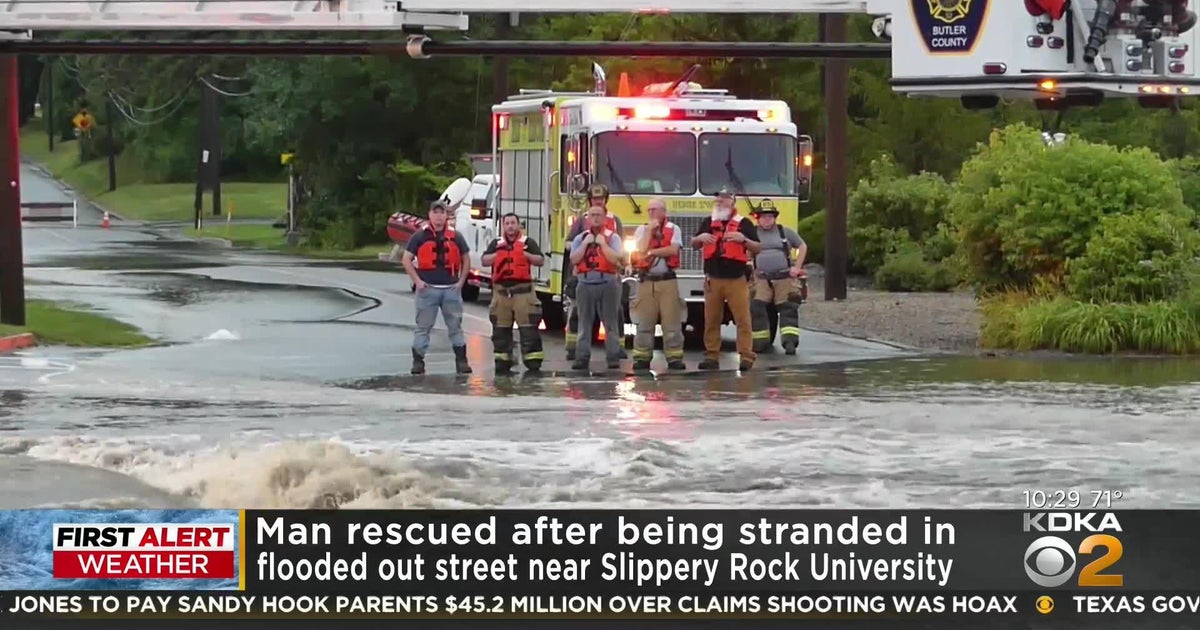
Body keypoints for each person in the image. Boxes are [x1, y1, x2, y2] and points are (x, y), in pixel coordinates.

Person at [689, 188, 762, 372]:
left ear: (732, 202)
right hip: (713, 279)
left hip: (736, 279)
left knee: (742, 319)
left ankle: (746, 356)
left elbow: (758, 247)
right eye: (718, 199)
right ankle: (711, 356)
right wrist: (699, 238)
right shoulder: (708, 222)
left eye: (724, 199)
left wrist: (743, 239)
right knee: (711, 319)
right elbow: (693, 244)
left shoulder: (744, 223)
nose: (719, 201)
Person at [402, 200, 472, 376]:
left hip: (451, 290)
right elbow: (406, 259)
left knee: (455, 326)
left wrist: (461, 281)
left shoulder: (456, 236)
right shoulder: (419, 236)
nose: (439, 216)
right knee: (423, 327)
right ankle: (418, 362)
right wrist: (417, 281)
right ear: (430, 215)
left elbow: (466, 258)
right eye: (435, 212)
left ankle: (462, 361)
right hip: (428, 290)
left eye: (442, 213)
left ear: (446, 215)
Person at [564, 183, 627, 361]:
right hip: (585, 279)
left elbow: (620, 250)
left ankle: (616, 352)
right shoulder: (581, 222)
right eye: (594, 199)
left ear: (605, 200)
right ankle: (575, 350)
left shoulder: (615, 222)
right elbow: (569, 246)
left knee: (614, 316)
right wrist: (584, 244)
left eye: (600, 199)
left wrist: (603, 245)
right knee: (579, 316)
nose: (597, 202)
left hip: (608, 279)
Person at [480, 213, 546, 374]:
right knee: (501, 330)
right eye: (507, 223)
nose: (510, 226)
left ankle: (533, 364)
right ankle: (503, 362)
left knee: (529, 329)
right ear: (503, 226)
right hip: (501, 294)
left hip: (523, 293)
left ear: (518, 225)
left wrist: (524, 255)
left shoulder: (527, 243)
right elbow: (484, 260)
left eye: (513, 223)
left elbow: (540, 260)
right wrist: (500, 255)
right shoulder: (496, 243)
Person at [629, 197, 686, 372]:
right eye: (650, 210)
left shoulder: (674, 229)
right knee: (644, 323)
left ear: (664, 212)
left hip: (667, 280)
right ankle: (642, 358)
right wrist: (649, 232)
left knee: (672, 323)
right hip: (647, 281)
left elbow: (673, 249)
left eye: (655, 209)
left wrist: (652, 252)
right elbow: (640, 249)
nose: (652, 213)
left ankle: (674, 358)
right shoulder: (641, 230)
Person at [748, 200, 808, 356]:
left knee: (788, 308)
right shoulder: (752, 234)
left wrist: (797, 267)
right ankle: (760, 342)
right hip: (761, 279)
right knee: (756, 306)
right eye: (763, 216)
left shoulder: (785, 232)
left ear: (775, 218)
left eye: (769, 216)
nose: (766, 220)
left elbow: (802, 246)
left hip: (784, 277)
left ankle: (790, 342)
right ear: (757, 218)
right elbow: (744, 251)